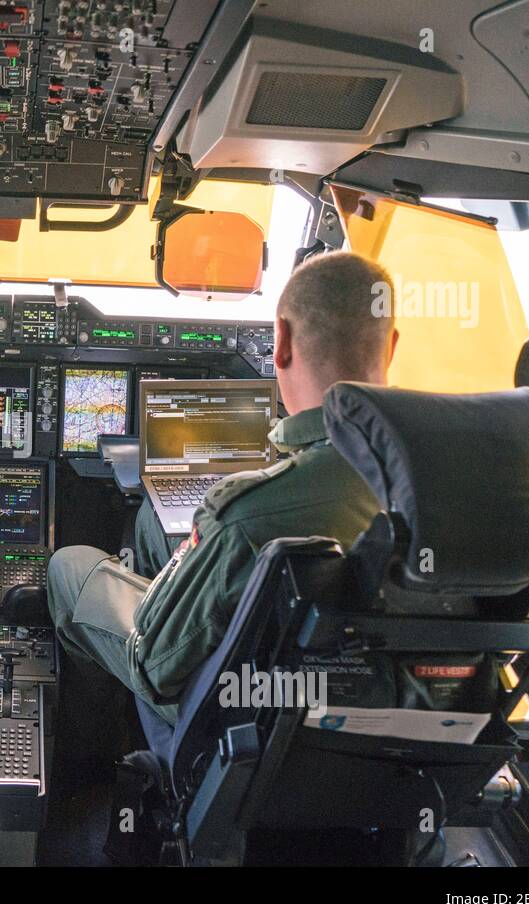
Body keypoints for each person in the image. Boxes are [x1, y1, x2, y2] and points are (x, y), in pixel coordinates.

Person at [47, 251, 399, 736]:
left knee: (68, 564)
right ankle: (170, 598)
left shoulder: (245, 514)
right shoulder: (449, 487)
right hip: (377, 718)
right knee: (154, 517)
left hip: (237, 726)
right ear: (393, 345)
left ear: (282, 344)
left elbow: (156, 665)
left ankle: (94, 743)